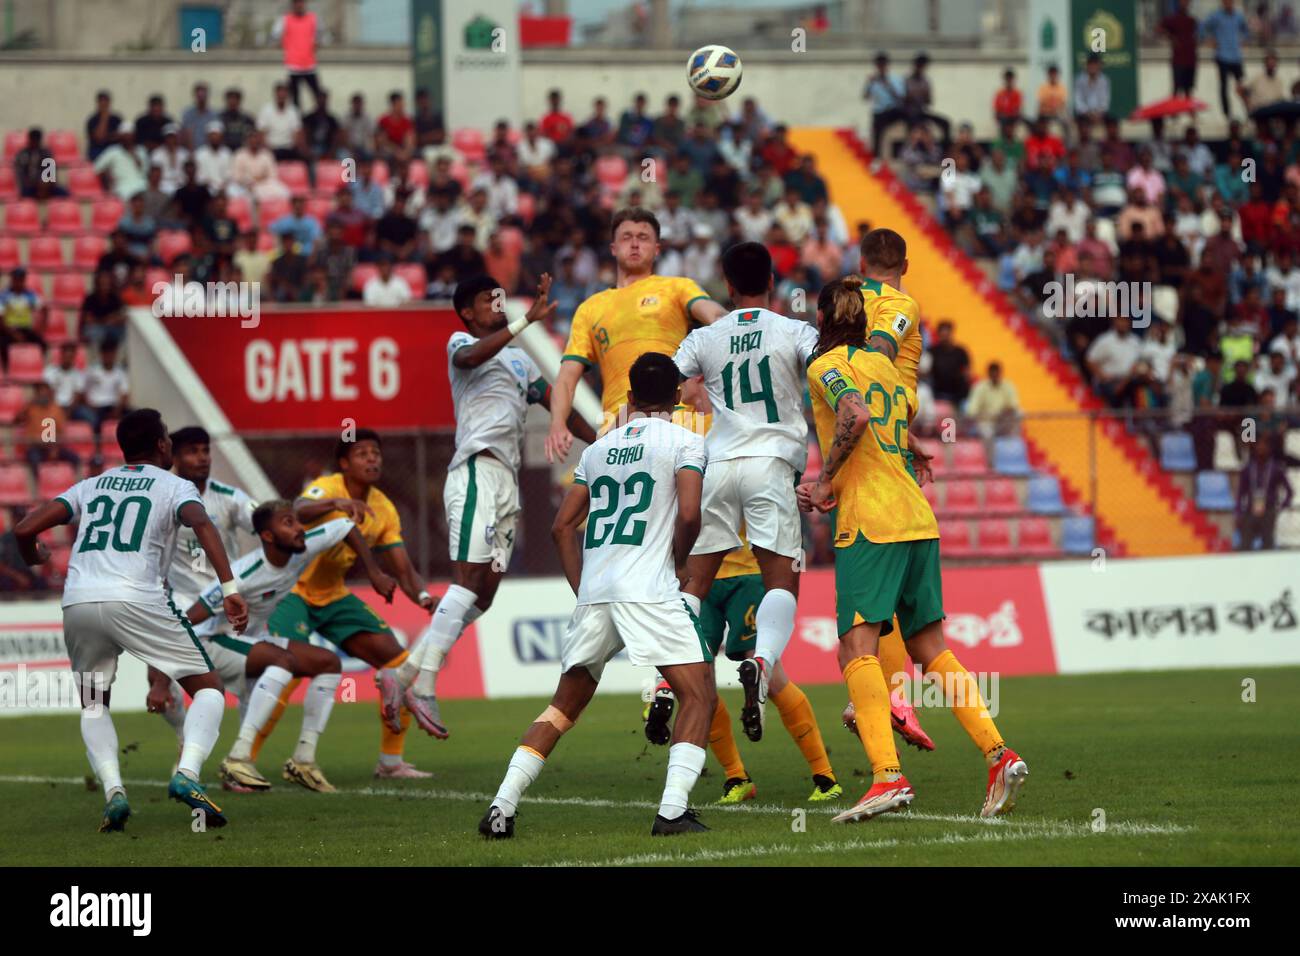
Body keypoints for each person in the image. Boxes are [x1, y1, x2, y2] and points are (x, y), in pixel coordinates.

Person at [797, 280, 1028, 822]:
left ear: (826, 315)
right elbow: (890, 429)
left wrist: (826, 480)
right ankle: (999, 754)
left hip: (871, 523)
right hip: (917, 518)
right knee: (930, 647)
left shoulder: (826, 364)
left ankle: (886, 777)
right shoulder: (890, 369)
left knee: (856, 650)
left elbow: (853, 415)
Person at [479, 352, 716, 839]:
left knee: (562, 707)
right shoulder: (687, 441)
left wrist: (583, 589)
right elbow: (689, 514)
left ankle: (502, 805)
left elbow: (561, 527)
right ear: (676, 397)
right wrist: (678, 559)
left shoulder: (597, 450)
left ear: (629, 398)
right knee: (699, 696)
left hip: (597, 595)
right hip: (649, 591)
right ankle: (672, 812)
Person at [12, 408, 250, 832]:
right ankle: (187, 774)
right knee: (210, 690)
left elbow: (24, 530)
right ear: (162, 445)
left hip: (79, 604)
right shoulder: (174, 485)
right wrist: (230, 590)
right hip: (138, 598)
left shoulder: (91, 484)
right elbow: (201, 521)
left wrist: (37, 557)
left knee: (92, 704)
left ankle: (115, 794)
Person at [671, 242, 841, 800]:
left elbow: (666, 382)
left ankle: (660, 681)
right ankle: (762, 663)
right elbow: (830, 368)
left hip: (718, 465)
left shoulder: (705, 337)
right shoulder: (792, 330)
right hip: (772, 465)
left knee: (695, 579)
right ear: (770, 278)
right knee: (781, 580)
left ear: (724, 280)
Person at [397, 275, 595, 734]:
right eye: (490, 299)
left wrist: (603, 441)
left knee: (483, 596)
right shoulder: (460, 343)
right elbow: (470, 357)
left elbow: (556, 405)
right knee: (466, 580)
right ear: (468, 311)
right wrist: (528, 319)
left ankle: (403, 673)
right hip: (474, 472)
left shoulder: (519, 363)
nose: (498, 304)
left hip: (506, 482)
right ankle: (424, 687)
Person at [177, 501, 392, 793]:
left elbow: (345, 527)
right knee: (282, 661)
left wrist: (375, 573)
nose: (300, 528)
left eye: (297, 521)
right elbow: (191, 617)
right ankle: (238, 759)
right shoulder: (245, 572)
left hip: (247, 640)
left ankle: (304, 760)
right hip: (208, 642)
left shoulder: (301, 547)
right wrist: (162, 673)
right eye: (288, 523)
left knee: (328, 662)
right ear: (267, 536)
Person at [260, 429, 437, 778]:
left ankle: (390, 763)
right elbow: (298, 508)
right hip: (292, 590)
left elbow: (402, 568)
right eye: (362, 453)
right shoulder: (328, 487)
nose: (372, 459)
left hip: (332, 595)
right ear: (343, 463)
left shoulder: (383, 508)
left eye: (376, 453)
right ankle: (240, 761)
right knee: (286, 670)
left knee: (400, 665)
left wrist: (425, 598)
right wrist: (337, 504)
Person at [544, 208, 726, 462]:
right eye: (627, 237)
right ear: (613, 248)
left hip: (679, 416)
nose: (635, 244)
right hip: (620, 426)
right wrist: (557, 423)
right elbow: (566, 377)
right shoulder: (590, 308)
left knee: (690, 500)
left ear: (657, 249)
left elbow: (716, 318)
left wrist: (736, 322)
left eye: (643, 237)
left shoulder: (677, 287)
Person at [1235, 438, 1293, 549]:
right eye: (1258, 446)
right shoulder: (1248, 469)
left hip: (1268, 510)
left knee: (1267, 543)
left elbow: (1289, 491)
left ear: (1269, 449)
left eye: (1264, 446)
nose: (1261, 449)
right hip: (1250, 510)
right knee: (1245, 544)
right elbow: (1240, 493)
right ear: (1254, 449)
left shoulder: (1276, 468)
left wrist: (1281, 506)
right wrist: (1238, 512)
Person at [273, 0, 323, 110]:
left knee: (317, 95)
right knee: (295, 99)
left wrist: (316, 45)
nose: (299, 5)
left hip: (309, 65)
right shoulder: (285, 19)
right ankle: (298, 123)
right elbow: (275, 36)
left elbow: (320, 36)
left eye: (301, 2)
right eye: (296, 3)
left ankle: (316, 120)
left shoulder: (313, 18)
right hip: (293, 66)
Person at [1202, 0, 1249, 117]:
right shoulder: (1216, 16)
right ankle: (1226, 114)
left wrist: (1243, 40)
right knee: (1224, 86)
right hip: (1222, 56)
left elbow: (1246, 30)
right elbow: (1202, 27)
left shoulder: (1238, 16)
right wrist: (1209, 39)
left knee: (1242, 85)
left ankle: (1248, 110)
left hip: (1236, 56)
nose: (1228, 3)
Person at [22, 382, 80, 476]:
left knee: (74, 458)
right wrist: (29, 403)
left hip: (53, 446)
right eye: (40, 393)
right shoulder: (30, 408)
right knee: (34, 458)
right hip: (36, 447)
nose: (43, 395)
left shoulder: (56, 409)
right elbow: (16, 419)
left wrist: (55, 449)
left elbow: (62, 433)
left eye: (45, 393)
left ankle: (71, 482)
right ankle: (40, 486)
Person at [863, 52, 906, 159]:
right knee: (877, 128)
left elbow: (901, 97)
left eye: (883, 63)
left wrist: (887, 84)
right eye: (879, 64)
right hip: (880, 112)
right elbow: (865, 97)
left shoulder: (895, 79)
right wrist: (869, 84)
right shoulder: (873, 80)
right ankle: (876, 156)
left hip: (894, 110)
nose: (881, 66)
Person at [1160, 0, 1200, 96]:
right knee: (1176, 88)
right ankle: (1173, 110)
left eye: (1187, 2)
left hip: (1190, 58)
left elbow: (1198, 34)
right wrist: (1171, 38)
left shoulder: (1192, 20)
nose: (1185, 3)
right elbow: (1160, 28)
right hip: (1178, 59)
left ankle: (1190, 109)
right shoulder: (1172, 19)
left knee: (1189, 89)